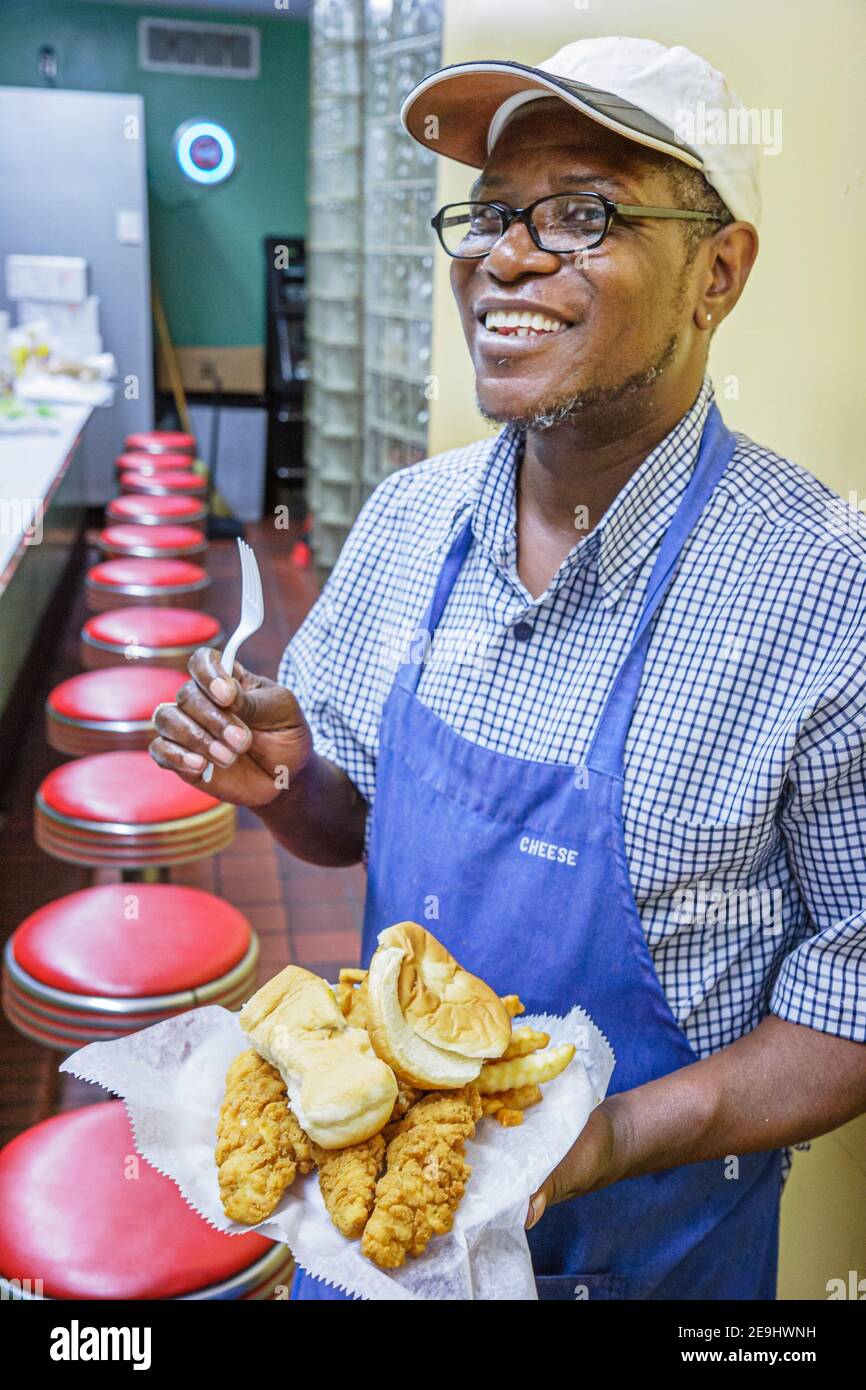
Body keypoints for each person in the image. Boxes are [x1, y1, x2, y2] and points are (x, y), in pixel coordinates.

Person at [150, 37, 866, 1300]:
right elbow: (347, 822)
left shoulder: (823, 588)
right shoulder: (409, 520)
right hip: (386, 1248)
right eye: (486, 216)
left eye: (581, 213)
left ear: (717, 270)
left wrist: (608, 1138)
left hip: (656, 1259)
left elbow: (853, 997)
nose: (505, 256)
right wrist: (287, 780)